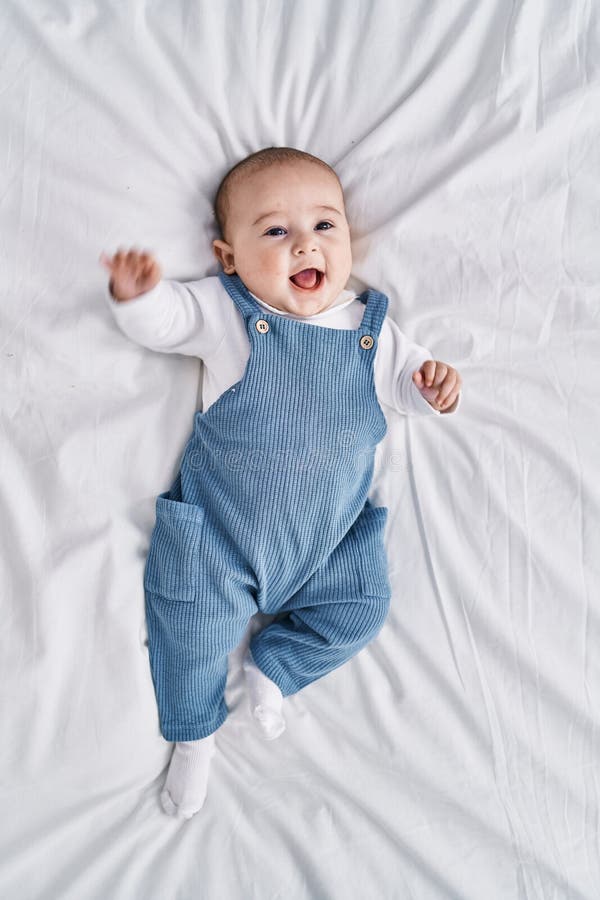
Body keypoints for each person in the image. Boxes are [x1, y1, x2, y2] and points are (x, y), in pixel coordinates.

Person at [100, 146, 462, 821]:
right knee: (188, 622)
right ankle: (194, 735)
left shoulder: (371, 332)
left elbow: (411, 390)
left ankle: (277, 665)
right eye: (275, 231)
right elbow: (171, 322)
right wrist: (140, 296)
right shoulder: (231, 315)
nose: (304, 245)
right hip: (221, 539)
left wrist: (432, 387)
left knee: (363, 607)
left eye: (325, 226)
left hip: (328, 546)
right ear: (228, 256)